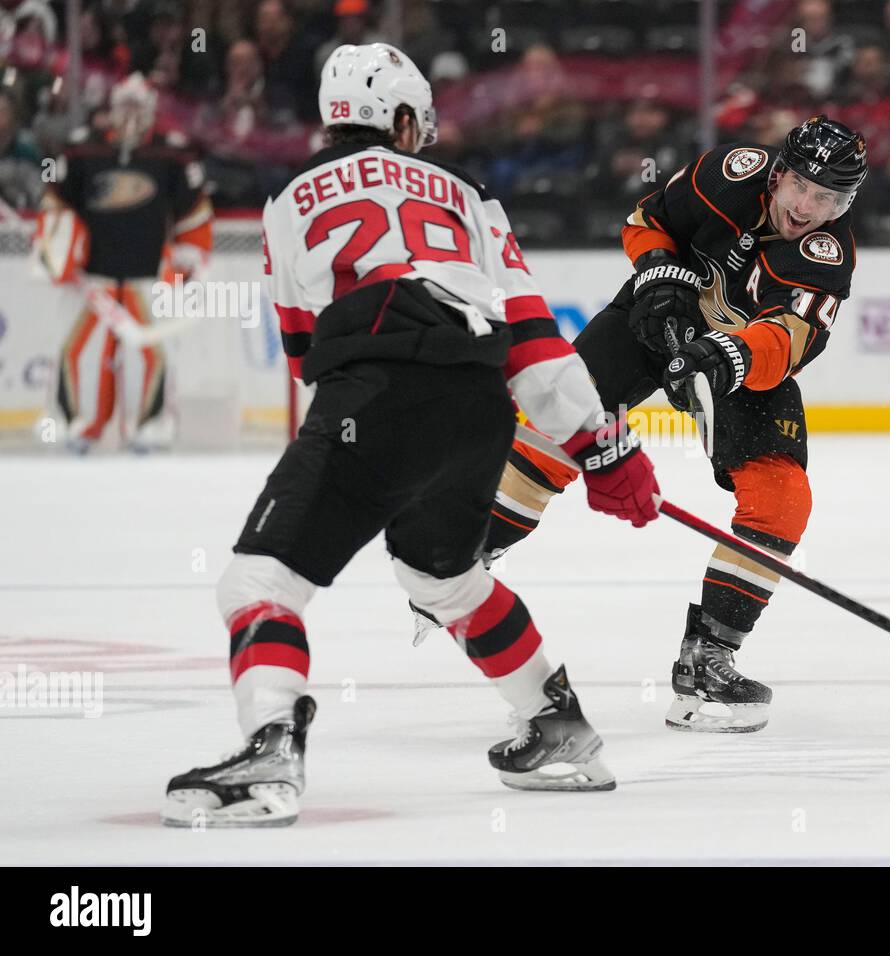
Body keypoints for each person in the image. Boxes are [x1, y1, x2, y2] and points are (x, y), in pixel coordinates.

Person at [162, 44, 659, 827]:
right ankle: (557, 727)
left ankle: (268, 752)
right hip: (479, 403)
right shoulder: (470, 193)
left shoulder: (288, 197)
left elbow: (301, 352)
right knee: (445, 580)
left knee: (258, 585)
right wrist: (599, 444)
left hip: (378, 390)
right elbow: (533, 341)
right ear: (400, 120)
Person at [486, 115, 865, 733]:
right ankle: (470, 549)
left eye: (828, 198)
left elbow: (787, 340)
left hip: (737, 367)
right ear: (779, 173)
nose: (807, 207)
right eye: (801, 186)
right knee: (560, 426)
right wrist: (661, 274)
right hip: (658, 319)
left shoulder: (827, 254)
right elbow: (645, 223)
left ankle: (708, 657)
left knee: (782, 496)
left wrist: (731, 355)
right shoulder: (729, 174)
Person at [35, 71, 212, 452]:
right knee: (77, 353)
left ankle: (148, 427)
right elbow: (55, 202)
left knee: (150, 355)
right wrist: (54, 244)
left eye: (138, 106)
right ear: (110, 110)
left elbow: (194, 212)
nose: (130, 114)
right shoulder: (80, 149)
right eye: (123, 106)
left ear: (151, 111)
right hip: (89, 279)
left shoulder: (174, 153)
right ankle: (73, 426)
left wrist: (191, 253)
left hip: (148, 278)